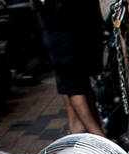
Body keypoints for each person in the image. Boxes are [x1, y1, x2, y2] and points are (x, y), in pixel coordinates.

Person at [34, 0, 107, 136]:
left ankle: (83, 129)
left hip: (72, 19)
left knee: (74, 78)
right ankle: (99, 138)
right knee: (73, 80)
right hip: (61, 20)